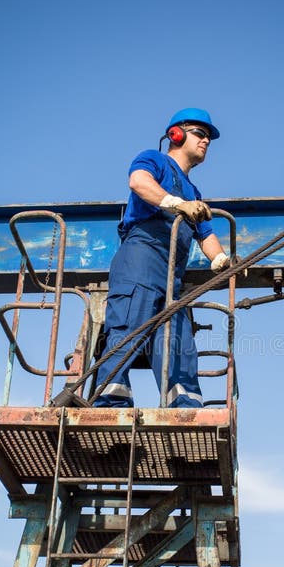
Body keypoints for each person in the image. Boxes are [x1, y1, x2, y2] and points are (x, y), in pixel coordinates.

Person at [93, 108, 230, 409]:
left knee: (178, 342)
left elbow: (206, 235)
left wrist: (222, 260)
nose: (207, 141)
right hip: (141, 258)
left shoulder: (194, 191)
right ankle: (110, 402)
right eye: (200, 133)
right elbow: (139, 182)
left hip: (172, 275)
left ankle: (185, 408)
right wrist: (176, 204)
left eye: (209, 137)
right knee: (128, 326)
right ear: (176, 134)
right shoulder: (153, 160)